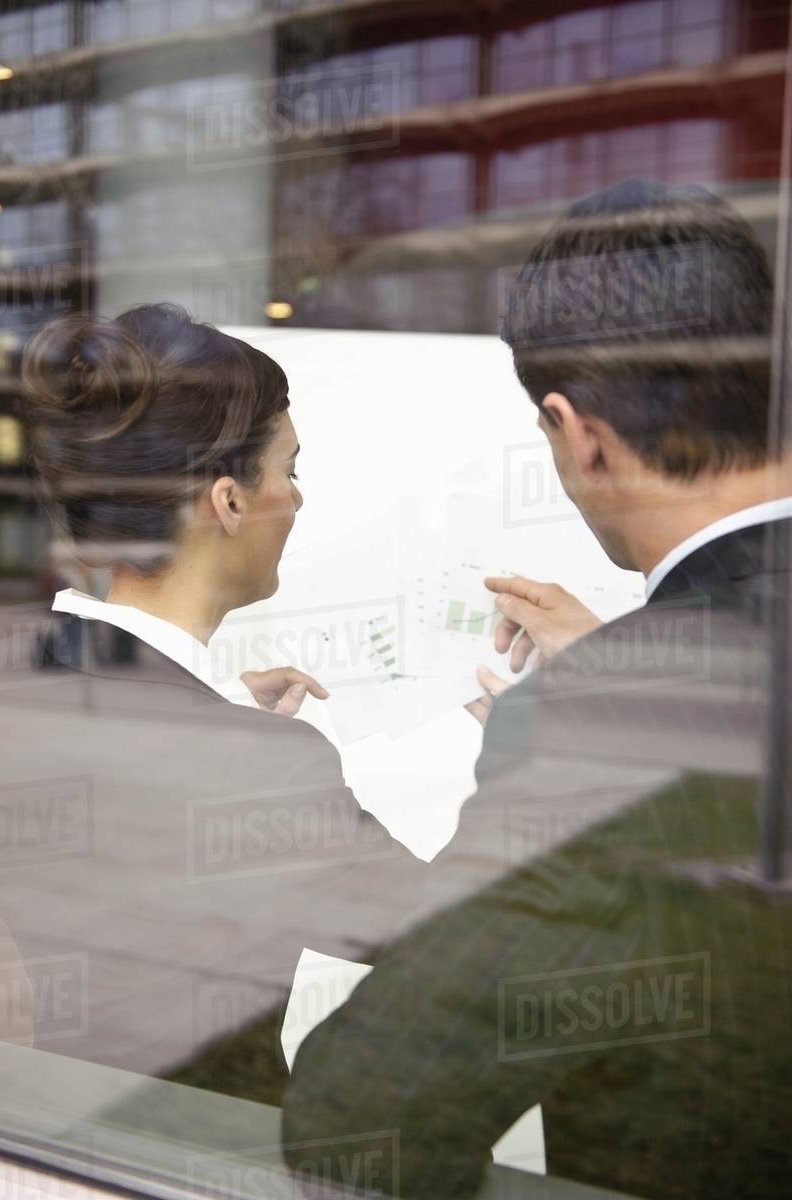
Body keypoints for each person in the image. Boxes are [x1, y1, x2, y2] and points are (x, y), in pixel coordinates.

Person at [282, 180, 792, 1199]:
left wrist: (614, 702)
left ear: (578, 433)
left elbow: (363, 1112)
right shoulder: (693, 676)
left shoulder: (617, 714)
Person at [0, 303, 424, 1090]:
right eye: (288, 470)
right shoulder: (259, 767)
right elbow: (458, 933)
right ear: (228, 501)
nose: (296, 500)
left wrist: (210, 708)